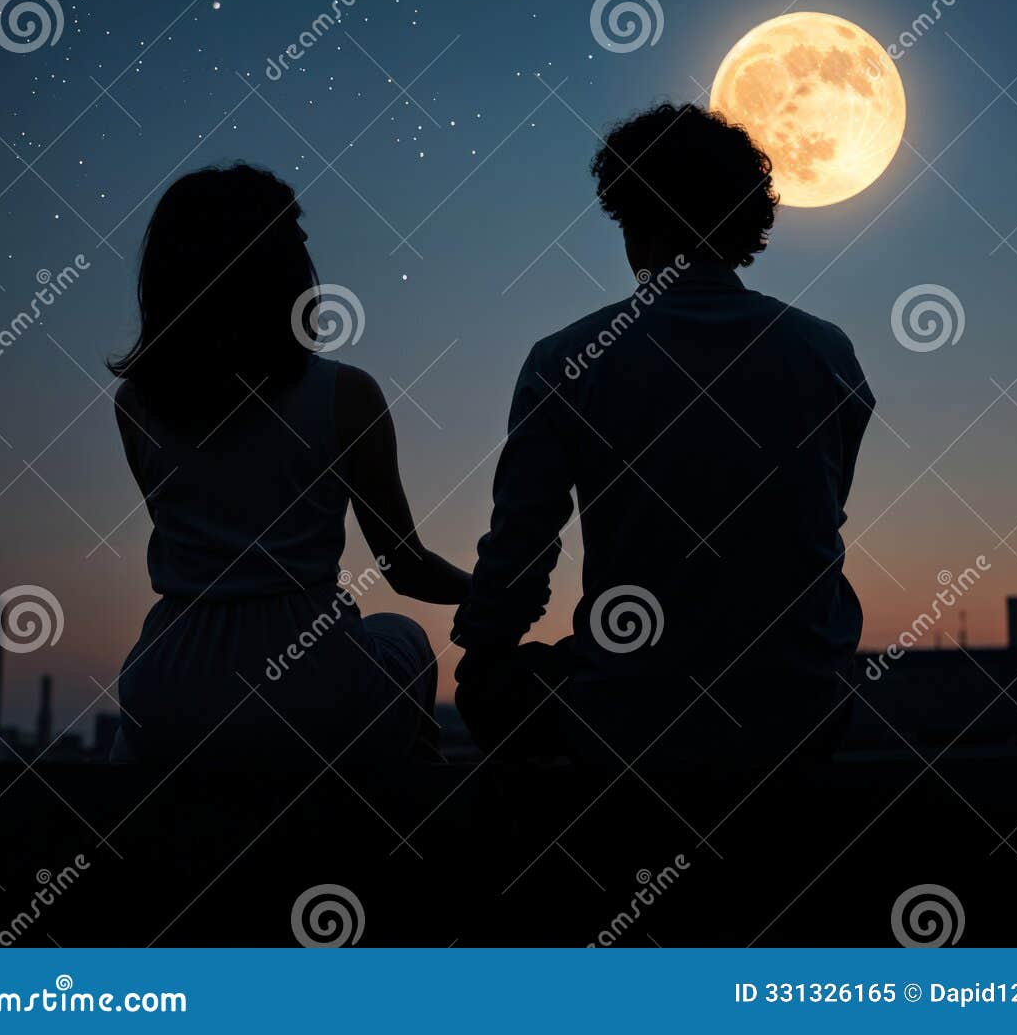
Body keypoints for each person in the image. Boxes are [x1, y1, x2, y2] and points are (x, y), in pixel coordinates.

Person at [453, 101, 874, 773]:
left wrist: (484, 643)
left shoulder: (568, 359)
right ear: (744, 224)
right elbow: (816, 518)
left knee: (499, 686)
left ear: (630, 220)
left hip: (630, 720)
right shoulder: (827, 354)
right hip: (801, 717)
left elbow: (519, 556)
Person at [108, 163, 470, 768]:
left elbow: (190, 539)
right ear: (278, 269)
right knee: (404, 639)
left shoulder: (136, 405)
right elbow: (407, 570)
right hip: (310, 683)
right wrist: (494, 589)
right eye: (295, 238)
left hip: (172, 683)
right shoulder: (345, 395)